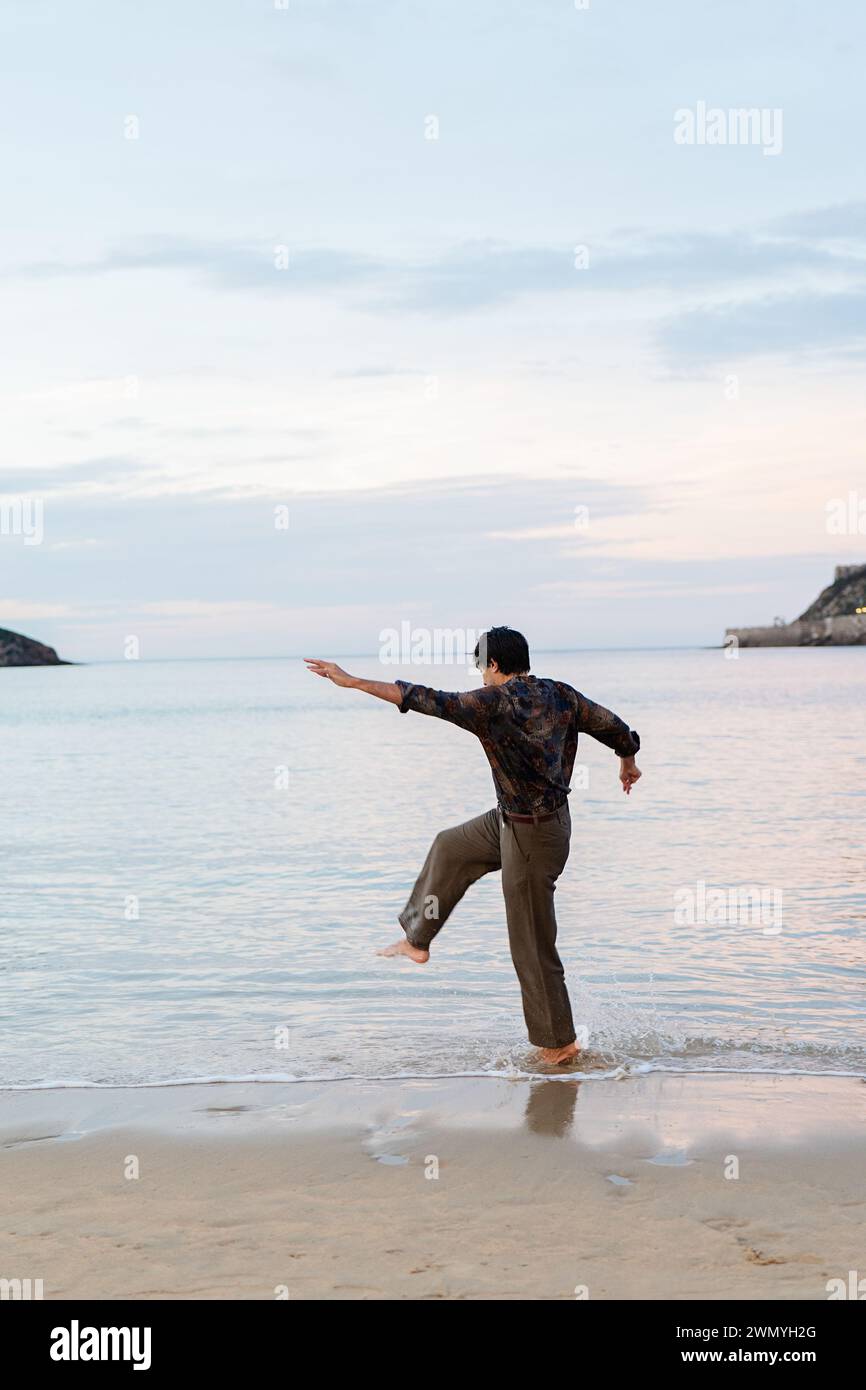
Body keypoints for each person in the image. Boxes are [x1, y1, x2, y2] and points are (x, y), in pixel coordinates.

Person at [305, 626, 641, 1065]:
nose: (480, 674)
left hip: (533, 837)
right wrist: (628, 762)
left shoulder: (491, 703)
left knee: (532, 944)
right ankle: (417, 938)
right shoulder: (562, 694)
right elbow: (615, 728)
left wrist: (352, 681)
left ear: (495, 665)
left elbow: (422, 698)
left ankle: (558, 1046)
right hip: (523, 821)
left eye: (482, 666)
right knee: (452, 846)